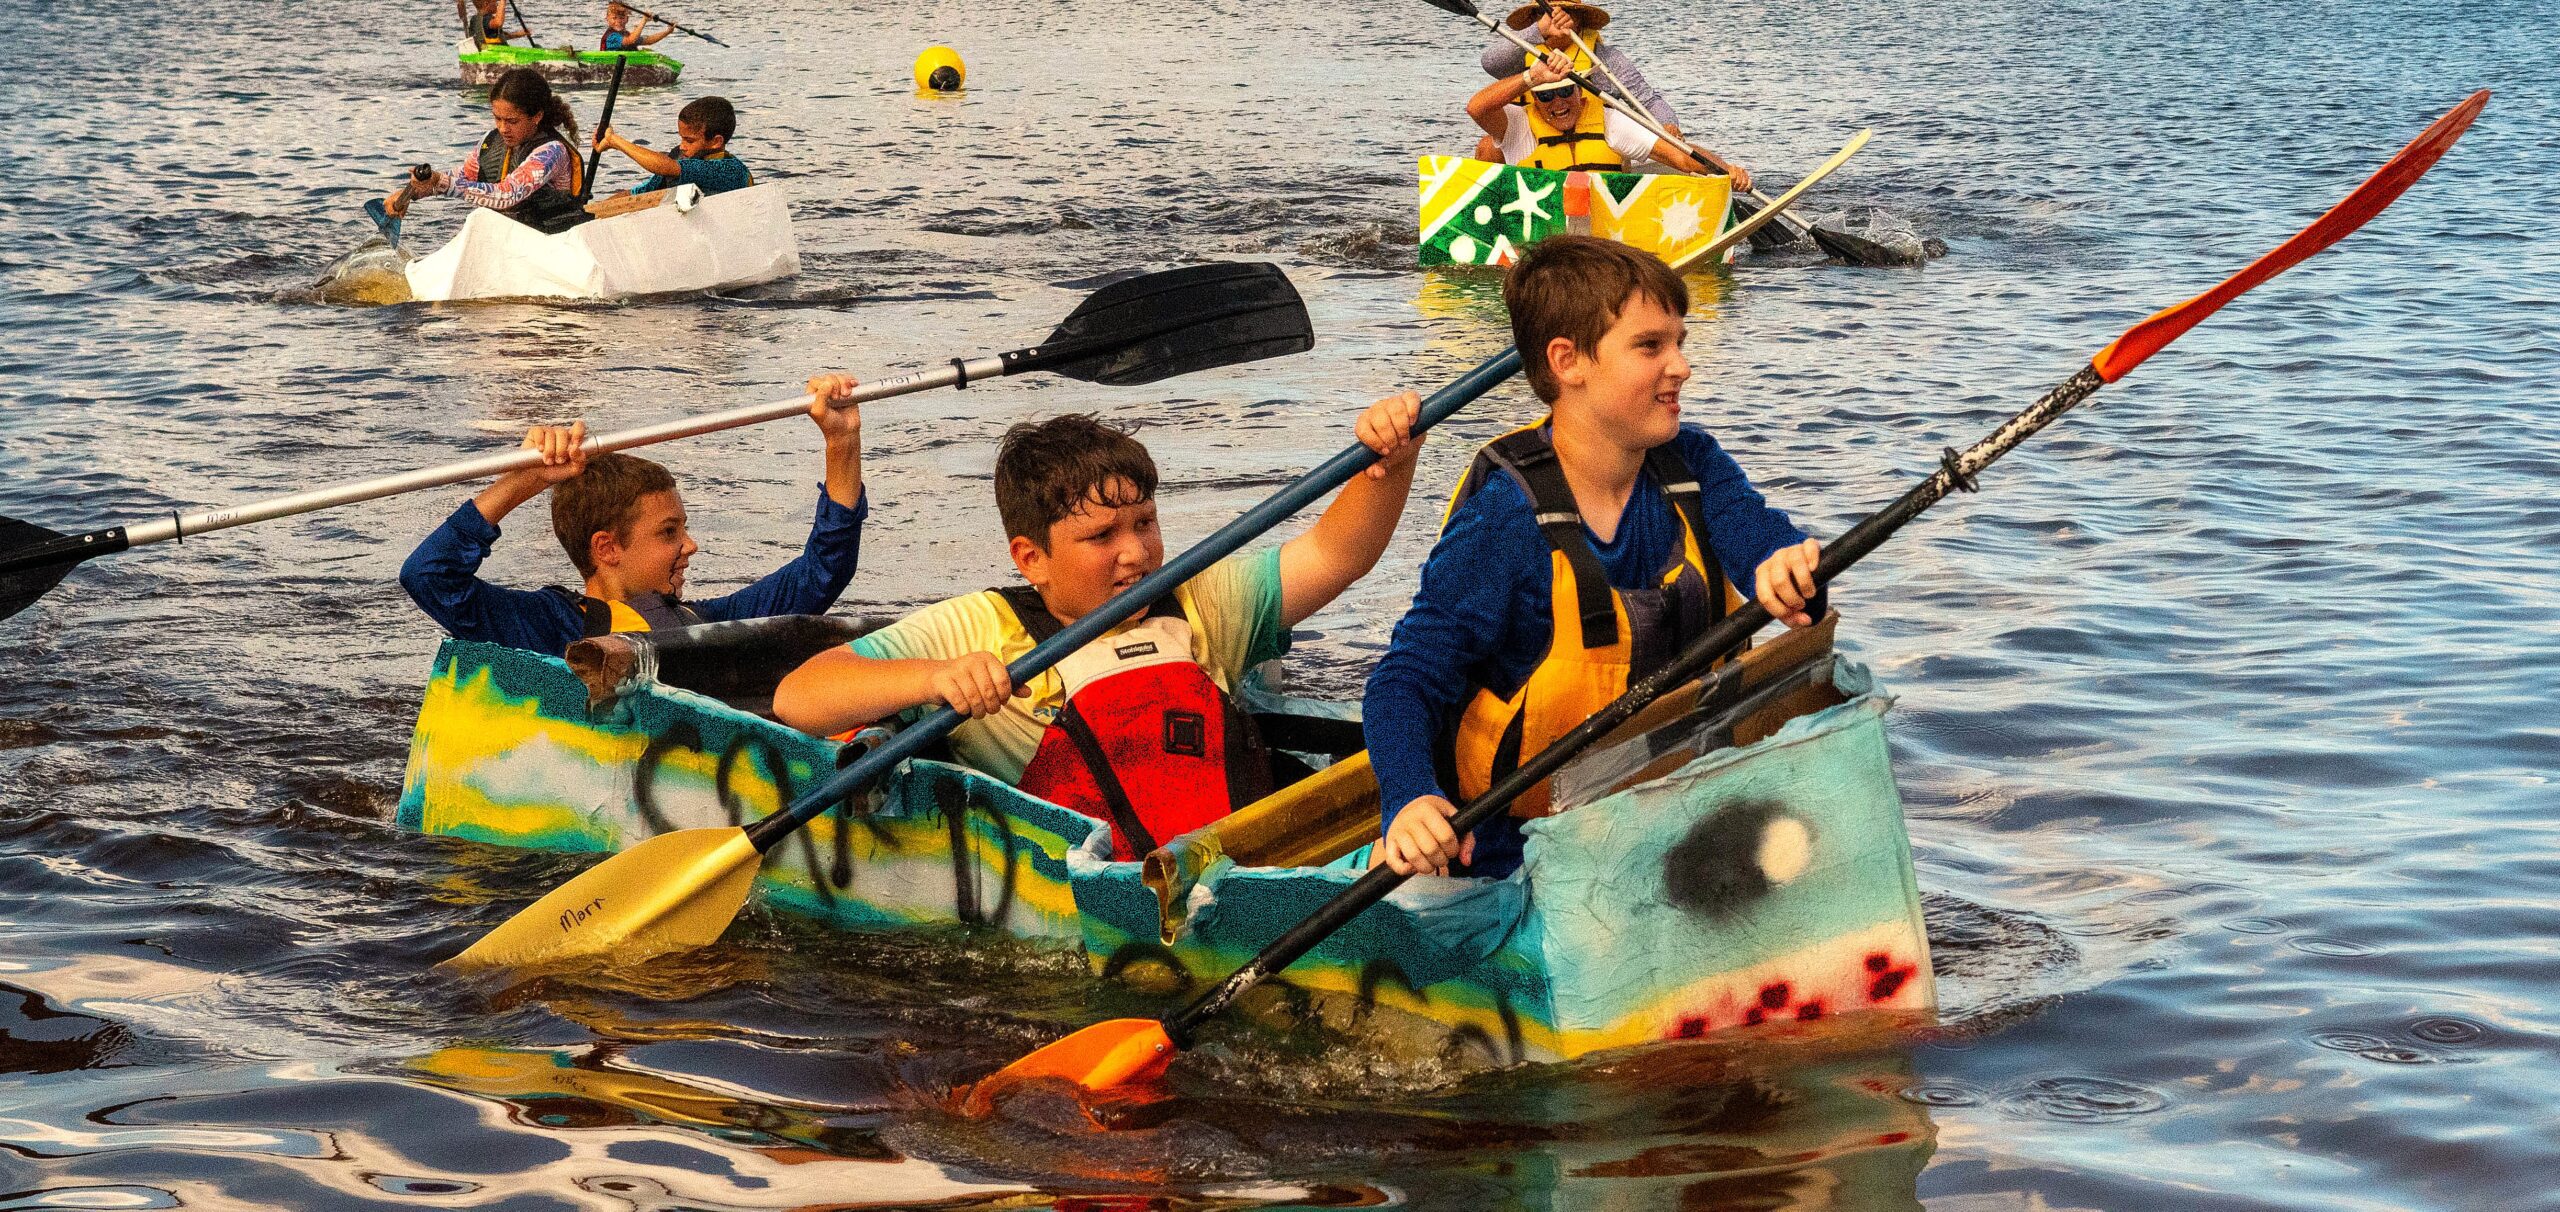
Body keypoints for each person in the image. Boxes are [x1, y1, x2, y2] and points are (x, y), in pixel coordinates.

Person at [773, 391, 1426, 860]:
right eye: (1102, 536)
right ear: (1032, 559)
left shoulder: (1199, 600)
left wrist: (1388, 463)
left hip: (1238, 875)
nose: (1136, 553)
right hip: (1097, 898)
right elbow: (799, 695)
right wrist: (934, 678)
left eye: (1145, 523)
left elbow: (1338, 553)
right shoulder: (982, 628)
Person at [1364, 235, 1822, 880]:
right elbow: (1407, 679)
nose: (1682, 367)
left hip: (1678, 823)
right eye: (1650, 346)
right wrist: (1409, 799)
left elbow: (1761, 540)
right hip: (1527, 853)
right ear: (1568, 361)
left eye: (1680, 342)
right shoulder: (1505, 517)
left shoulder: (1693, 464)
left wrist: (1789, 570)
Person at [400, 381, 868, 657]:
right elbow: (429, 577)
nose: (690, 546)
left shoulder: (706, 624)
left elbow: (822, 572)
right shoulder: (543, 628)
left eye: (682, 529)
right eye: (669, 532)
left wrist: (841, 443)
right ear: (607, 548)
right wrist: (521, 483)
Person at [1469, 51, 1749, 188]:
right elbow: (1477, 108)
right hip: (1542, 239)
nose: (1558, 102)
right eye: (1546, 96)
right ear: (1535, 102)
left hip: (1603, 235)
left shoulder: (1610, 120)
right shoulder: (1518, 124)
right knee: (1486, 148)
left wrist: (1727, 172)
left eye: (1566, 91)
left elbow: (1680, 157)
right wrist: (1533, 77)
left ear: (1580, 94)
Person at [383, 69, 590, 235]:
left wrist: (441, 182)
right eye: (497, 118)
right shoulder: (490, 141)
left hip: (551, 236)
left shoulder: (552, 152)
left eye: (512, 121)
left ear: (536, 117)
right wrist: (412, 192)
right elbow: (463, 177)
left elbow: (507, 195)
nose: (502, 128)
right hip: (511, 235)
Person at [591, 97, 753, 199]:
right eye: (681, 138)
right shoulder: (683, 157)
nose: (682, 146)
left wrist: (614, 140)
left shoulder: (731, 170)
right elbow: (640, 192)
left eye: (689, 141)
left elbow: (667, 167)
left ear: (716, 142)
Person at [600, 1, 671, 49]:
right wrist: (644, 21)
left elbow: (648, 40)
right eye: (614, 18)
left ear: (627, 19)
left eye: (622, 18)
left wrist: (667, 32)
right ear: (607, 19)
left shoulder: (626, 34)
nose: (618, 21)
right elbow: (630, 40)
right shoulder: (612, 37)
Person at [461, 0, 526, 48]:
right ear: (486, 4)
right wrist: (502, 2)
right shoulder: (486, 19)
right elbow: (498, 22)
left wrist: (518, 34)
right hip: (495, 55)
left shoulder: (474, 19)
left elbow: (495, 38)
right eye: (495, 2)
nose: (497, 4)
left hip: (487, 52)